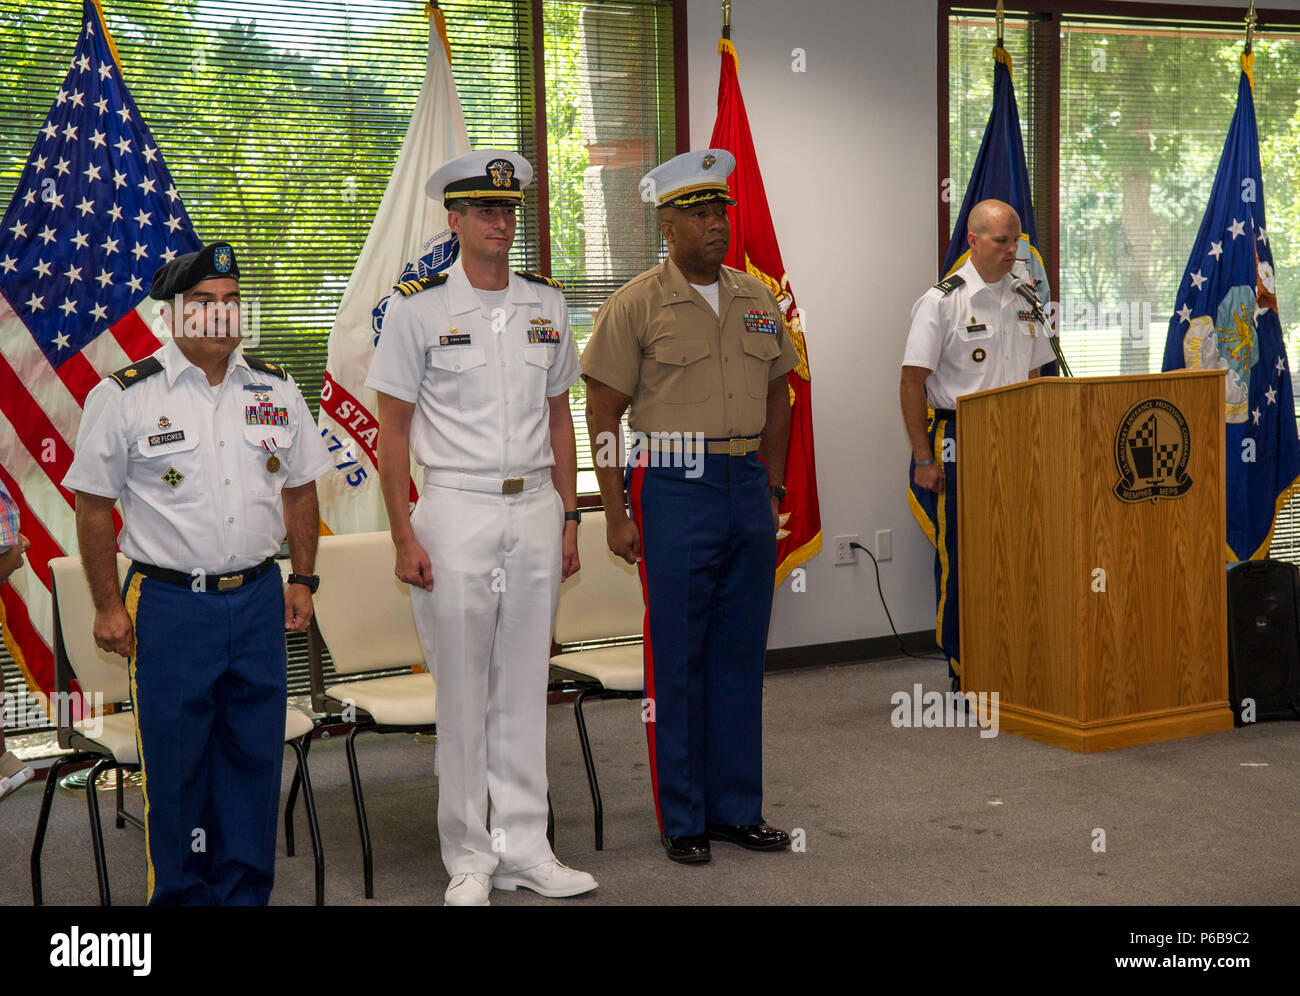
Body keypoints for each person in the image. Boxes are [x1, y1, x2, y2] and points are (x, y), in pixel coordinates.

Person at [63, 242, 331, 905]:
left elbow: (300, 490)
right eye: (204, 303)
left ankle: (244, 897)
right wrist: (105, 605)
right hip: (172, 605)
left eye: (232, 301)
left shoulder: (277, 388)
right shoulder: (123, 396)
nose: (221, 315)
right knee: (179, 772)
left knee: (252, 761)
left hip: (260, 598)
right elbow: (94, 507)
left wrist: (304, 578)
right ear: (174, 314)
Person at [367, 149, 597, 906]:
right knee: (464, 693)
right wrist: (403, 533)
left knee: (526, 685)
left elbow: (560, 418)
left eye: (508, 210)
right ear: (455, 220)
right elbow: (392, 430)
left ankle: (526, 847)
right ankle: (469, 856)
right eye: (484, 210)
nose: (501, 221)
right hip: (455, 508)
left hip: (533, 506)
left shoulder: (547, 304)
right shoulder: (417, 307)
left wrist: (568, 517)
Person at [581, 149, 797, 864]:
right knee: (676, 655)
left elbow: (779, 393)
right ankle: (684, 817)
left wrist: (770, 482)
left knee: (738, 654)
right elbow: (603, 412)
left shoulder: (756, 297)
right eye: (700, 216)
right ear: (667, 226)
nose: (716, 226)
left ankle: (737, 807)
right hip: (671, 483)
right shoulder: (636, 303)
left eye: (721, 214)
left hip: (743, 485)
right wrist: (615, 511)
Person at [900, 199, 1056, 687]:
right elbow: (911, 382)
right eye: (1001, 240)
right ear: (973, 242)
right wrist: (923, 458)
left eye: (1016, 240)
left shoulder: (1027, 295)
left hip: (1019, 439)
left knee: (1018, 550)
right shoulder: (942, 301)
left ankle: (1016, 655)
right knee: (963, 557)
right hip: (958, 439)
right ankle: (964, 666)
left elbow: (1035, 370)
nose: (1012, 249)